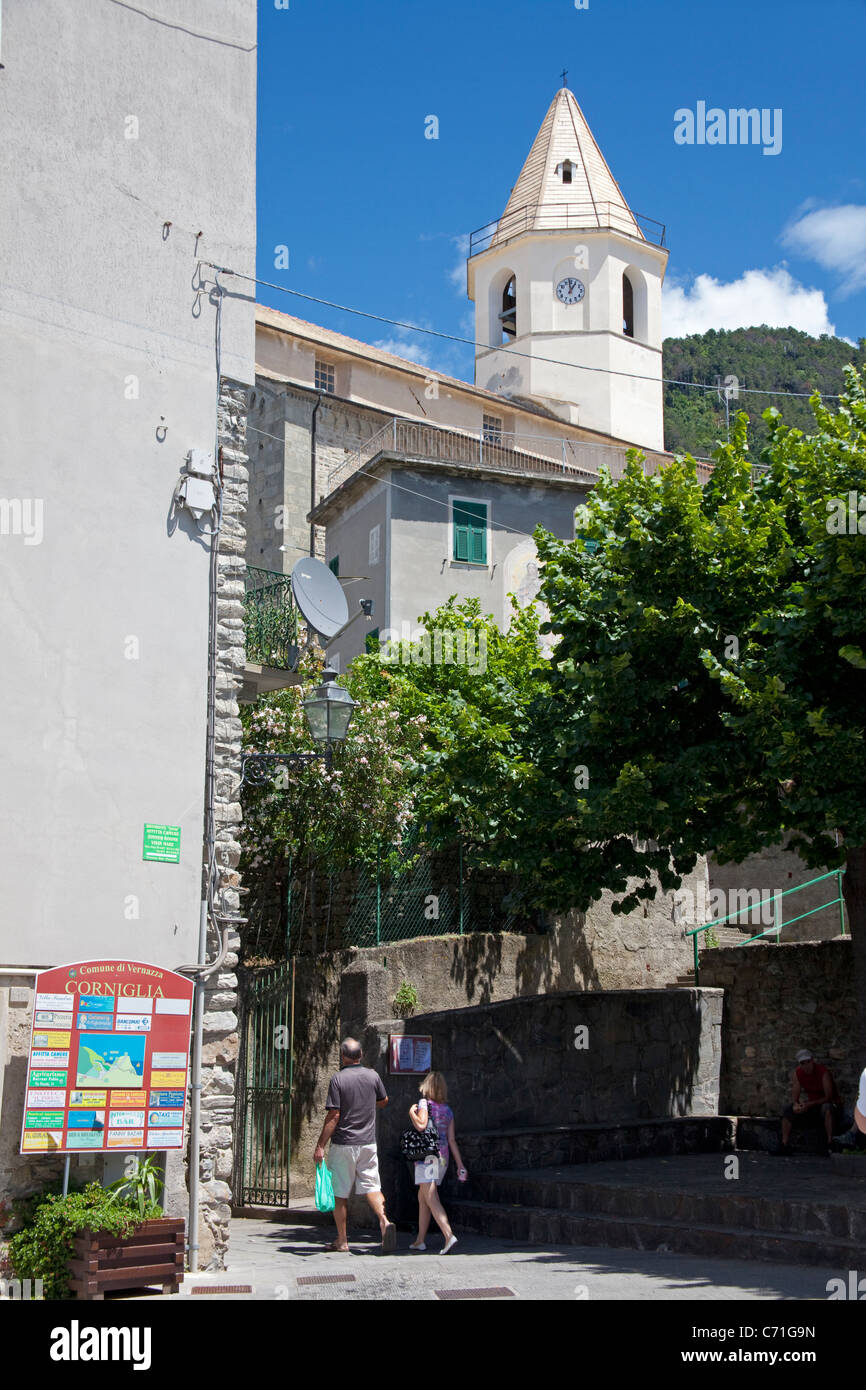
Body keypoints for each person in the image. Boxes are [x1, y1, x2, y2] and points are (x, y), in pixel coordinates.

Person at [314, 1038, 396, 1253]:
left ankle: (342, 1240)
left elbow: (334, 1115)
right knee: (372, 1186)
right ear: (361, 1055)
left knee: (339, 1194)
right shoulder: (373, 1076)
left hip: (344, 1144)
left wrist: (320, 1145)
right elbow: (384, 1100)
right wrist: (369, 1103)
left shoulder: (338, 1079)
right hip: (368, 1142)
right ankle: (384, 1220)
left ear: (343, 1056)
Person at [407, 1071, 467, 1255]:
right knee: (423, 1197)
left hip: (426, 1158)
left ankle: (448, 1236)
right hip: (442, 1159)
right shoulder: (448, 1111)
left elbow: (421, 1125)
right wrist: (460, 1165)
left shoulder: (425, 1104)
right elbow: (451, 1140)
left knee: (431, 1198)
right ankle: (420, 1240)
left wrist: (411, 1112)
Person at [780, 1048, 842, 1155]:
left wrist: (809, 1104)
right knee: (787, 1110)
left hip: (826, 1104)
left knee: (827, 1108)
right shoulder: (798, 1073)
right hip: (812, 1106)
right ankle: (784, 1144)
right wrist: (796, 1104)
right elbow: (796, 1092)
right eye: (803, 1063)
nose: (806, 1065)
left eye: (808, 1062)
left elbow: (828, 1097)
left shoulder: (823, 1072)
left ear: (812, 1061)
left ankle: (830, 1142)